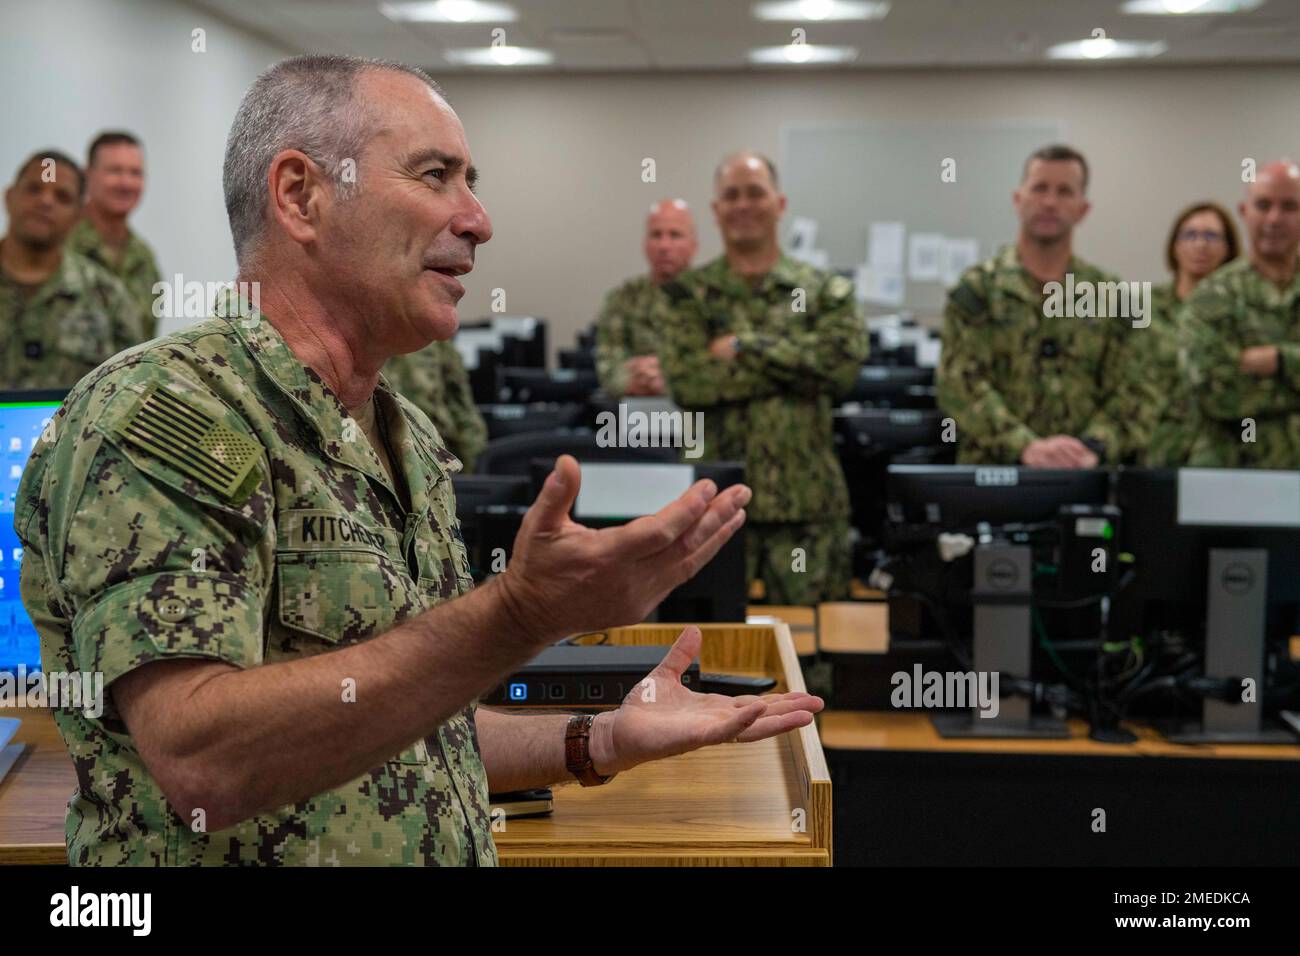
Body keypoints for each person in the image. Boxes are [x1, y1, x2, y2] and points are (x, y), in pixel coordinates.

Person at [16, 55, 820, 868]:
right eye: (435, 175)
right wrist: (517, 615)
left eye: (470, 181)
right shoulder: (171, 415)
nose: (478, 219)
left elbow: (405, 724)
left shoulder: (408, 437)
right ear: (301, 195)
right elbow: (202, 759)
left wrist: (599, 739)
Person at [655, 151, 867, 605]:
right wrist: (795, 368)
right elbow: (690, 381)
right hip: (714, 504)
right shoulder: (685, 296)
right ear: (716, 210)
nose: (744, 204)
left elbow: (841, 368)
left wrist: (743, 347)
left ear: (780, 203)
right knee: (711, 653)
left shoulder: (826, 291)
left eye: (756, 193)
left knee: (811, 656)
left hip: (807, 509)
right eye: (731, 195)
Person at [936, 144, 1136, 468]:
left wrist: (1090, 447)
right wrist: (1025, 447)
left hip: (1085, 475)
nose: (1049, 202)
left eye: (1064, 192)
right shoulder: (976, 291)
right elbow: (958, 384)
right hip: (995, 476)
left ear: (1083, 209)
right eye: (1039, 188)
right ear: (1018, 199)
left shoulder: (1112, 295)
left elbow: (1136, 390)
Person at [1182, 161, 1300, 468]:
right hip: (1233, 474)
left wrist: (1279, 361)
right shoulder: (1212, 296)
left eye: (1289, 207)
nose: (1274, 219)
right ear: (1244, 212)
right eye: (1263, 205)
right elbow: (1214, 392)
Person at [1, 149, 144, 390]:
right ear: (9, 197)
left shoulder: (108, 298)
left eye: (62, 196)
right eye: (34, 189)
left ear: (78, 215)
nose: (45, 201)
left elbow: (134, 387)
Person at [1140, 202, 1239, 466]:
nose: (1200, 245)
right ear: (1175, 246)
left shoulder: (1240, 311)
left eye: (1211, 236)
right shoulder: (1143, 306)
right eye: (1190, 235)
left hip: (1217, 451)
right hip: (1150, 447)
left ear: (1228, 249)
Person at [594, 199, 697, 398]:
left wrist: (669, 379)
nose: (664, 246)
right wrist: (634, 381)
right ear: (645, 244)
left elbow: (726, 370)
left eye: (675, 235)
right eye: (656, 235)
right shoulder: (622, 299)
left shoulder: (714, 298)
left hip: (701, 418)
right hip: (638, 414)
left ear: (693, 245)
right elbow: (608, 365)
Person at [67, 131, 165, 339]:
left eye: (135, 173)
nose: (126, 183)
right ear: (87, 175)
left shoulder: (144, 259)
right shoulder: (58, 243)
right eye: (115, 171)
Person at [383, 339, 488, 471]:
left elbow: (459, 400)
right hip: (382, 454)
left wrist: (470, 458)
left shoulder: (433, 339)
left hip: (434, 451)